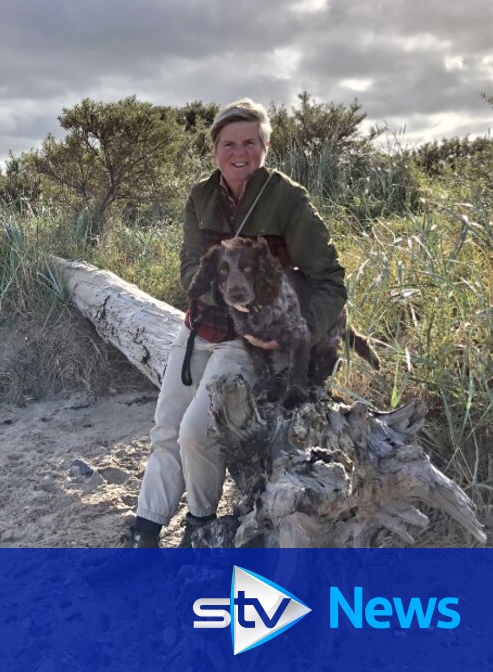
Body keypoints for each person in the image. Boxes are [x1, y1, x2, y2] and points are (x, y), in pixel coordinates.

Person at [128, 99, 348, 548]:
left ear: (265, 147)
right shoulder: (200, 197)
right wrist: (223, 294)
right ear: (215, 151)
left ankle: (199, 526)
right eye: (229, 143)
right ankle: (144, 532)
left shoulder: (288, 200)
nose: (239, 152)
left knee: (196, 431)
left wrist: (297, 330)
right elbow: (190, 269)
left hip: (246, 341)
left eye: (250, 141)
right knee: (166, 429)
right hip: (196, 331)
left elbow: (330, 279)